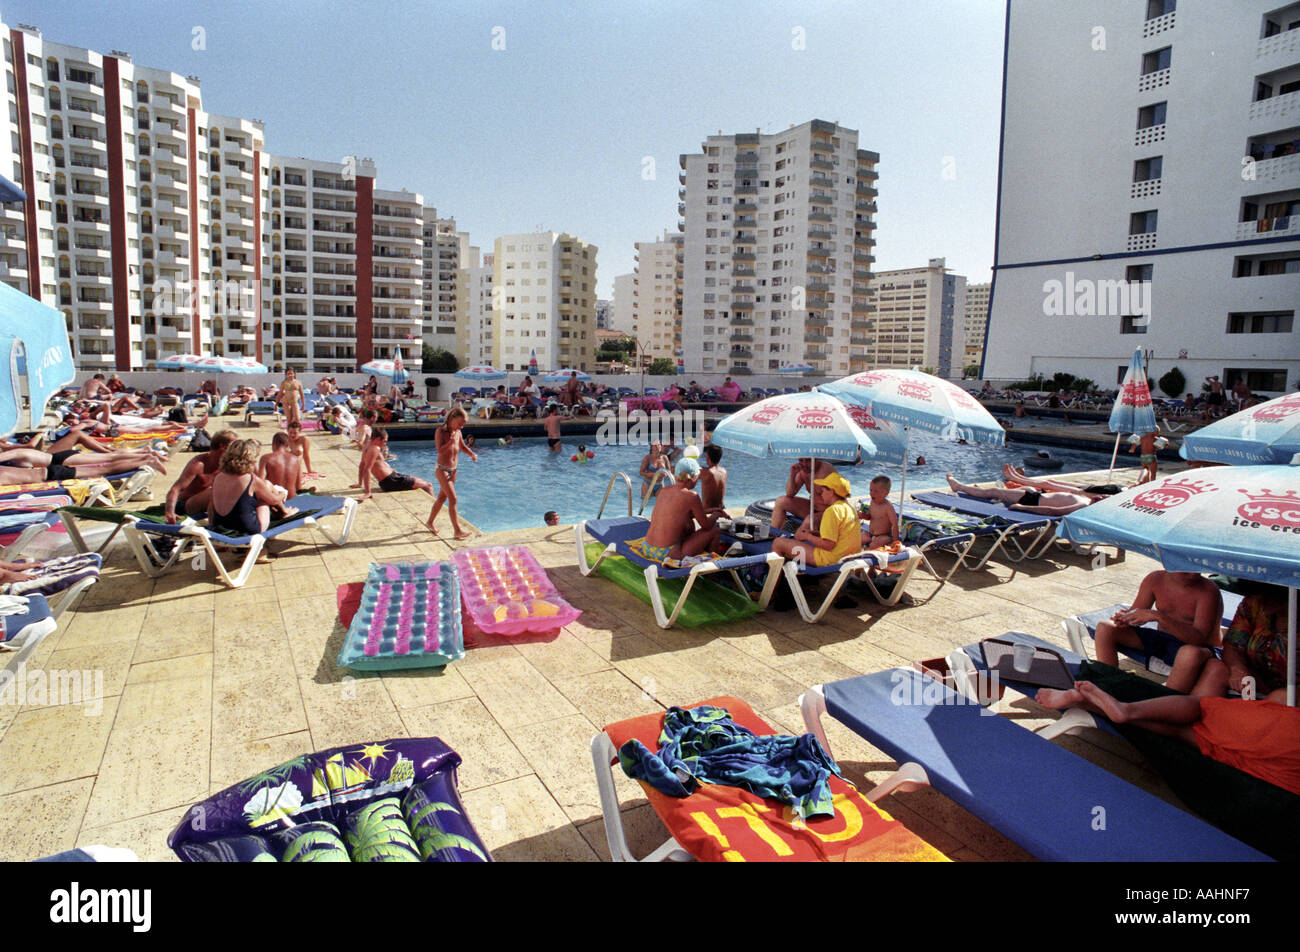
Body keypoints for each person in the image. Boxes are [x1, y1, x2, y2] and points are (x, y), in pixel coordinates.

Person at [1035, 680, 1300, 795]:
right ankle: (1097, 705)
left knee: (1203, 707)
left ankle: (1124, 710)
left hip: (1285, 732)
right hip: (1283, 774)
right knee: (1188, 735)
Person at [1092, 570, 1224, 670]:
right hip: (1163, 641)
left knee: (1189, 654)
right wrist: (1125, 619)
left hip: (1196, 649)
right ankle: (1108, 680)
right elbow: (1136, 612)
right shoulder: (1155, 579)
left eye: (1196, 568)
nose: (1192, 574)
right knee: (1105, 628)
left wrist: (1158, 616)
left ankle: (1167, 700)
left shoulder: (1208, 591)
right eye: (1185, 570)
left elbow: (1199, 639)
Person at [640, 457, 722, 562]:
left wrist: (707, 511)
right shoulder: (692, 496)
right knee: (714, 530)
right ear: (694, 478)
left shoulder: (664, 491)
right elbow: (706, 526)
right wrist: (715, 515)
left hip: (647, 548)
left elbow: (675, 513)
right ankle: (712, 571)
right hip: (667, 553)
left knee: (688, 524)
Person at [209, 440, 293, 540]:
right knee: (263, 498)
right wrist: (282, 494)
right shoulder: (251, 480)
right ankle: (285, 512)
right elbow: (274, 500)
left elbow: (210, 507)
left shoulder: (218, 477)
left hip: (221, 527)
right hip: (247, 530)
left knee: (260, 491)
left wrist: (212, 527)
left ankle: (283, 511)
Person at [773, 473, 860, 567]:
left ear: (831, 492)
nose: (821, 495)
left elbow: (828, 545)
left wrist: (807, 537)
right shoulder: (849, 509)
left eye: (822, 491)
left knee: (778, 543)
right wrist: (815, 534)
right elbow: (841, 535)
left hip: (830, 559)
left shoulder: (832, 511)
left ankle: (774, 579)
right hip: (848, 557)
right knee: (794, 543)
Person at [163, 429, 238, 523]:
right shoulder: (199, 464)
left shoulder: (227, 464)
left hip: (207, 504)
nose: (236, 450)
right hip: (185, 505)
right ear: (222, 446)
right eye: (234, 446)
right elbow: (176, 489)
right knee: (216, 491)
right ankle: (214, 527)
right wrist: (169, 511)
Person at [426, 407, 477, 539]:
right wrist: (451, 440)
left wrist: (471, 453)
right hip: (442, 469)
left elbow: (462, 446)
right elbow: (440, 450)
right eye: (460, 423)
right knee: (453, 499)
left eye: (463, 424)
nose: (462, 427)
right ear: (452, 419)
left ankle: (429, 522)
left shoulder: (458, 432)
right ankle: (457, 531)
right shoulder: (441, 431)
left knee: (442, 498)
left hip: (453, 470)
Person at [943, 473, 1094, 515]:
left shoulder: (1083, 504)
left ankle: (959, 486)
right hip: (1035, 494)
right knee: (998, 492)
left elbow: (1052, 511)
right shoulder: (1086, 497)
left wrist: (1022, 508)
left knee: (991, 492)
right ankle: (999, 494)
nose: (1102, 496)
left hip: (1031, 500)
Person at [358, 428, 434, 501]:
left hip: (391, 479)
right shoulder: (374, 449)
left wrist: (359, 483)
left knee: (420, 480)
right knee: (428, 485)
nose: (385, 444)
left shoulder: (367, 445)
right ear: (378, 439)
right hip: (392, 481)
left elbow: (362, 464)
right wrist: (368, 492)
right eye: (384, 441)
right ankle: (438, 512)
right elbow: (367, 469)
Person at [771, 457, 837, 531]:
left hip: (829, 512)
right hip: (812, 508)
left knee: (809, 521)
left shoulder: (826, 471)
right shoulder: (804, 472)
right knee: (781, 501)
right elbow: (790, 493)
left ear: (817, 459)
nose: (804, 464)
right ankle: (772, 534)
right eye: (801, 460)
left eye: (808, 460)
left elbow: (839, 500)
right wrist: (792, 474)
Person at [258, 432, 306, 501]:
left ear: (273, 444)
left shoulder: (266, 458)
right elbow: (298, 487)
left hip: (274, 500)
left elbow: (261, 483)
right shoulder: (296, 459)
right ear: (287, 445)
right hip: (291, 499)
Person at [861, 475, 899, 550]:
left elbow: (894, 525)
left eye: (876, 491)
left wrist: (895, 542)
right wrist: (863, 515)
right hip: (870, 533)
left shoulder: (888, 507)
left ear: (886, 493)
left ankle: (870, 556)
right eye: (871, 490)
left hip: (884, 536)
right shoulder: (872, 502)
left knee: (873, 546)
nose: (872, 493)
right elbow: (870, 516)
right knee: (856, 539)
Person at [699, 444, 727, 511]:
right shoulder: (724, 472)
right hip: (721, 510)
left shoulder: (705, 472)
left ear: (707, 457)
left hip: (708, 511)